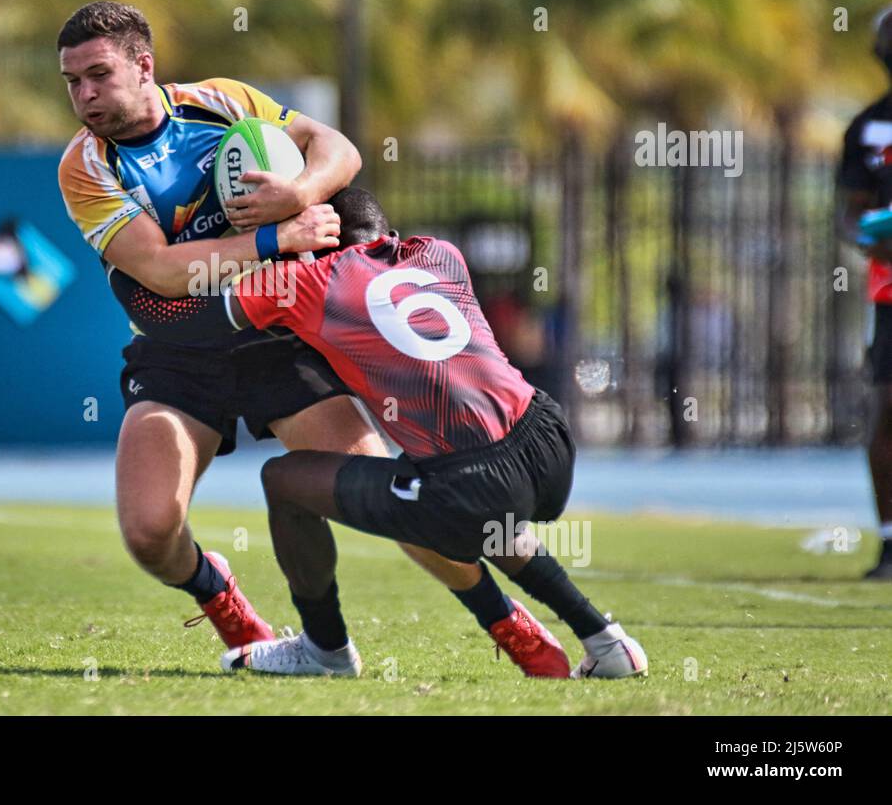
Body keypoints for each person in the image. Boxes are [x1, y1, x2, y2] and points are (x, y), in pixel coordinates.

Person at [55, 1, 567, 675]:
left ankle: (501, 617)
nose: (86, 95)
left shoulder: (219, 101)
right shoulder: (86, 167)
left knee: (392, 499)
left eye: (99, 75)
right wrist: (275, 237)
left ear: (144, 66)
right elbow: (160, 271)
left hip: (278, 340)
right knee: (149, 533)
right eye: (73, 82)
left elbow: (339, 152)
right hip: (180, 349)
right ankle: (222, 598)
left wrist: (296, 193)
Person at [111, 187, 648, 679]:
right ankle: (604, 638)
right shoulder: (439, 253)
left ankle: (325, 650)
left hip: (472, 484)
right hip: (548, 442)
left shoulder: (306, 282)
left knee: (285, 481)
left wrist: (129, 273)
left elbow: (176, 319)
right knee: (472, 502)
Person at [836, 6, 892, 581]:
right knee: (886, 412)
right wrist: (876, 240)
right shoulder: (869, 128)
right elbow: (848, 218)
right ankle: (890, 543)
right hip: (890, 295)